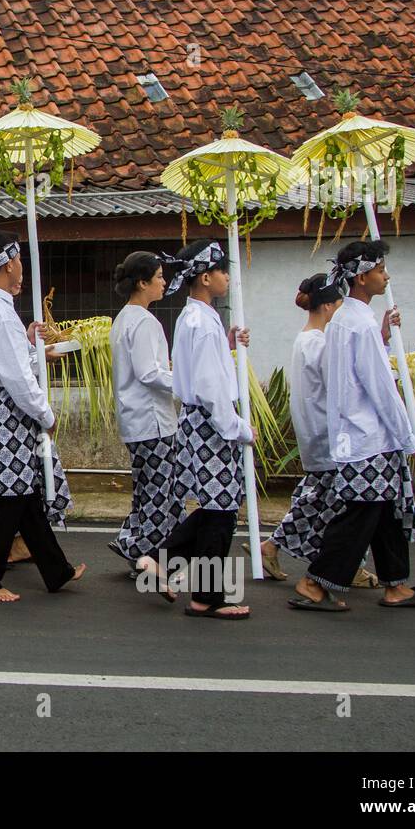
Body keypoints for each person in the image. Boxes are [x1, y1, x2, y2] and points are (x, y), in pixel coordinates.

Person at [289, 240, 415, 613]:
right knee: (361, 514)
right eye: (380, 270)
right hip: (366, 438)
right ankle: (314, 582)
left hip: (366, 436)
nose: (386, 276)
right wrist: (410, 439)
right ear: (361, 276)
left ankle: (396, 584)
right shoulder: (356, 322)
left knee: (383, 511)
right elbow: (379, 387)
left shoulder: (349, 320)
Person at [0, 229, 84, 603]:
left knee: (23, 493)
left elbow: (5, 364)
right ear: (6, 264)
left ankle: (56, 570)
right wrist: (45, 414)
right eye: (18, 260)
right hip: (3, 412)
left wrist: (30, 348)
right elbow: (14, 376)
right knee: (6, 496)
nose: (22, 268)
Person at [258, 274, 377, 587]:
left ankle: (278, 548)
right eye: (339, 304)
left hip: (317, 432)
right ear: (327, 306)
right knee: (340, 504)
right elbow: (343, 384)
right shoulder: (321, 343)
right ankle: (342, 565)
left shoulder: (306, 338)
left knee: (319, 500)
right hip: (329, 434)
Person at [163, 239, 252, 619]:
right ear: (204, 277)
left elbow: (206, 370)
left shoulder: (194, 318)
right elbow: (211, 386)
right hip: (211, 422)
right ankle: (205, 596)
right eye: (221, 270)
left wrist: (227, 346)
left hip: (199, 420)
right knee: (221, 510)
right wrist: (237, 427)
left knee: (218, 507)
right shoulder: (201, 322)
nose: (227, 277)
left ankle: (161, 560)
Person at [108, 251, 179, 580]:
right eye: (160, 277)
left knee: (147, 488)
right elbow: (150, 373)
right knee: (160, 492)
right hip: (153, 421)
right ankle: (146, 554)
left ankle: (134, 543)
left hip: (135, 419)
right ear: (142, 282)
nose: (164, 282)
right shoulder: (145, 322)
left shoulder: (124, 318)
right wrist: (185, 383)